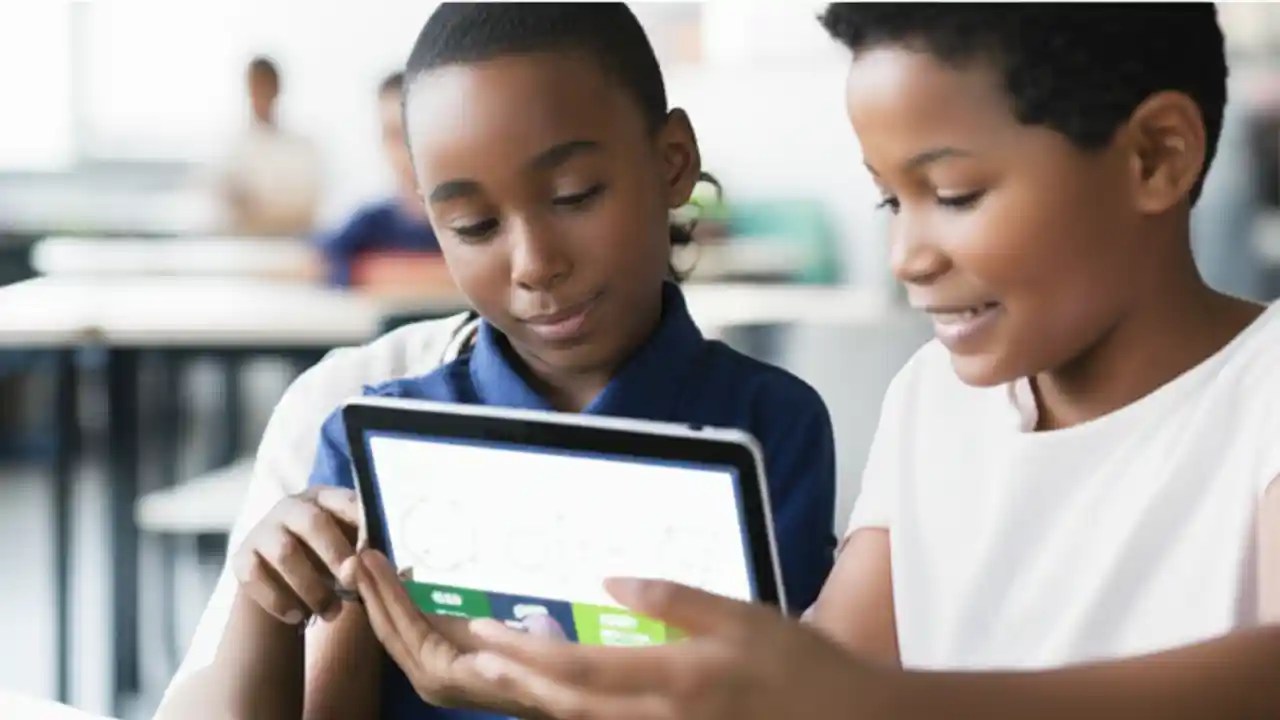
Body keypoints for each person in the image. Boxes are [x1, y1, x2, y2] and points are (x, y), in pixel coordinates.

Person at [418, 4, 1280, 719]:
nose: (906, 254)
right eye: (888, 197)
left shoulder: (1261, 392)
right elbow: (822, 677)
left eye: (953, 196)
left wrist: (876, 701)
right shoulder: (934, 401)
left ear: (1156, 156)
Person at [155, 4, 836, 719]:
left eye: (575, 196)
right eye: (475, 226)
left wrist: (521, 693)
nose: (535, 264)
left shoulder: (770, 429)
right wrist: (266, 601)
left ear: (672, 163)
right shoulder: (380, 441)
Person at [316, 72, 447, 289]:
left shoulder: (472, 221)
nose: (407, 149)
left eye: (415, 131)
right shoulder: (370, 222)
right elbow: (320, 262)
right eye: (394, 134)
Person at [218, 56, 322, 237]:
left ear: (278, 89)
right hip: (244, 248)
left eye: (266, 86)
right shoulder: (230, 149)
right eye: (255, 88)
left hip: (292, 247)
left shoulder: (302, 148)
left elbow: (308, 210)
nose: (260, 95)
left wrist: (257, 209)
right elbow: (222, 207)